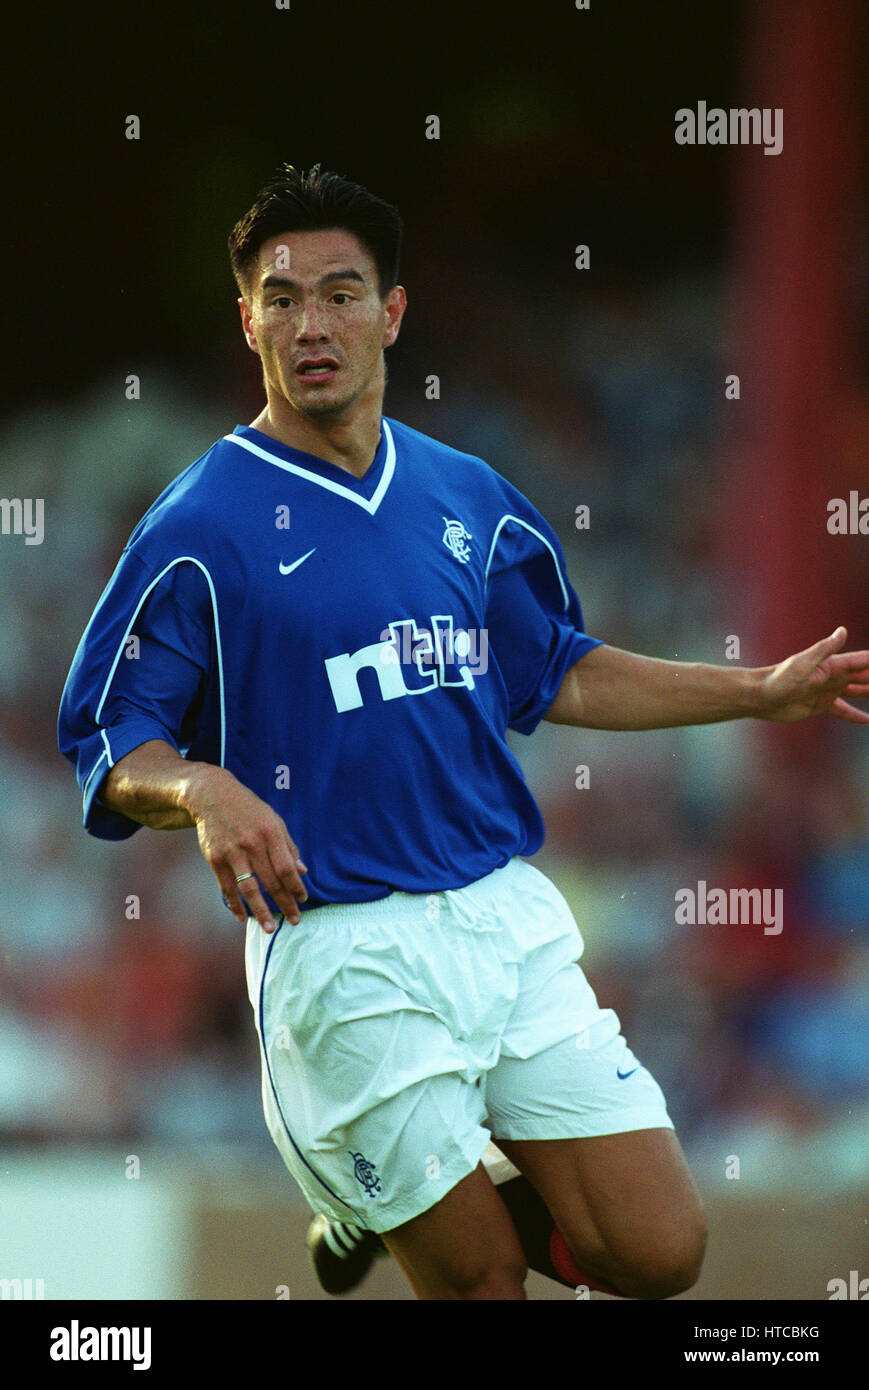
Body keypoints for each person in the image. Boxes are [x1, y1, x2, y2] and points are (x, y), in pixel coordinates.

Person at [58, 164, 869, 1301]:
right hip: (342, 949)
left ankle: (374, 1208)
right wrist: (199, 789)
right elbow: (109, 735)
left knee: (660, 1252)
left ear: (390, 313)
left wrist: (753, 688)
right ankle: (388, 1201)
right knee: (486, 1285)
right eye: (281, 299)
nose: (312, 323)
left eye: (341, 293)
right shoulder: (201, 524)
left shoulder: (465, 494)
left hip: (500, 922)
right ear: (246, 321)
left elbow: (560, 674)